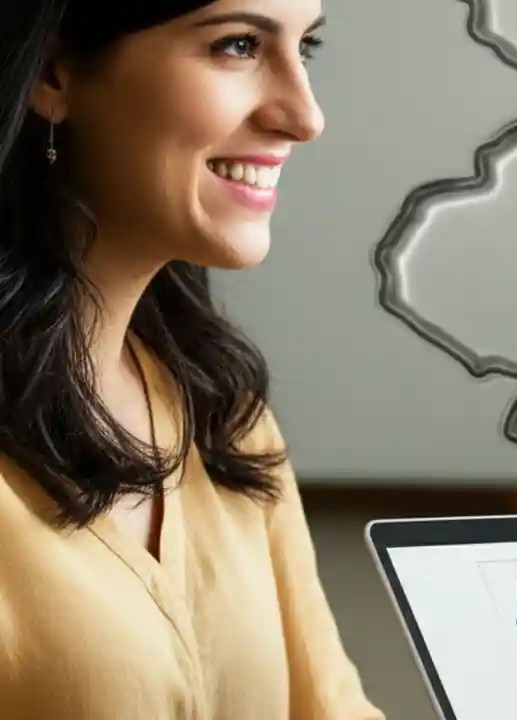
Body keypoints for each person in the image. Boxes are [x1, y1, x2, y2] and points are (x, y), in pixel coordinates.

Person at [0, 1, 384, 717]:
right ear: (53, 71)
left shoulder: (228, 423)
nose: (305, 116)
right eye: (237, 45)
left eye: (309, 49)